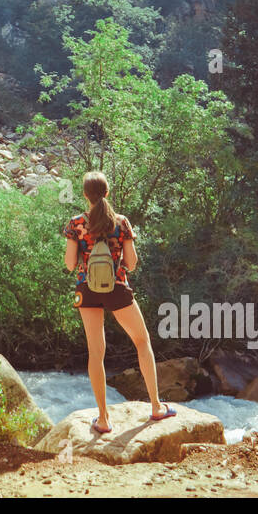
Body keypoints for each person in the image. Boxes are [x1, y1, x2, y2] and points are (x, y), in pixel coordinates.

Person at [63, 170, 174, 432]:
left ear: (84, 195)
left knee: (96, 353)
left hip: (87, 290)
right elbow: (132, 264)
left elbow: (69, 265)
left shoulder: (76, 223)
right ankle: (156, 407)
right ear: (107, 192)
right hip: (117, 289)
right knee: (142, 340)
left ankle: (103, 419)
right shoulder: (121, 222)